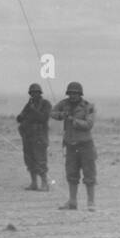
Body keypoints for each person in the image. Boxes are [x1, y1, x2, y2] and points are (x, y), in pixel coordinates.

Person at [51, 81, 96, 210]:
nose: (73, 96)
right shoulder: (64, 104)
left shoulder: (88, 106)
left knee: (89, 174)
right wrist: (62, 115)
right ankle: (72, 202)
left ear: (80, 94)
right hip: (70, 145)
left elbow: (89, 124)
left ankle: (91, 203)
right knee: (71, 174)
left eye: (75, 93)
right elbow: (52, 112)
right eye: (71, 93)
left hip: (85, 145)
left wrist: (74, 121)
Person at [16, 83, 51, 190]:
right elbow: (20, 117)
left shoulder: (46, 104)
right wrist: (21, 117)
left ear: (40, 93)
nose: (34, 95)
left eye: (36, 92)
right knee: (29, 160)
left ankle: (45, 183)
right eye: (32, 93)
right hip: (28, 135)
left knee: (40, 160)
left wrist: (32, 110)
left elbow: (43, 118)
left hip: (39, 136)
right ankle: (34, 183)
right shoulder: (29, 104)